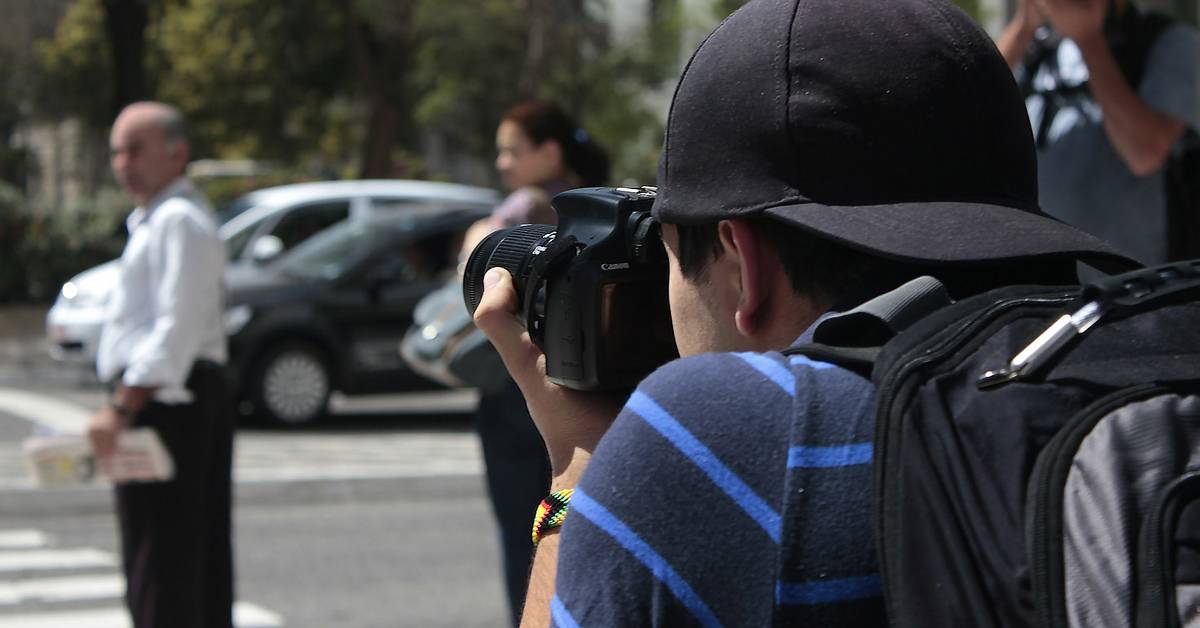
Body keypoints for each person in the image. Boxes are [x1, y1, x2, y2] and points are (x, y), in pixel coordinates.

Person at [470, 0, 1137, 625]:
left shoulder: (718, 433)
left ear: (743, 264)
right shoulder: (1132, 362)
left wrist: (579, 466)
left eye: (666, 252)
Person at [87, 101, 233, 628]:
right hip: (166, 402)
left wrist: (123, 407)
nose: (123, 163)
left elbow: (176, 330)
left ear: (178, 154)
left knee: (165, 565)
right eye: (117, 152)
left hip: (171, 405)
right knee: (169, 559)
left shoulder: (179, 221)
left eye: (136, 150)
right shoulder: (158, 219)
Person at [467, 100, 610, 626]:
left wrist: (477, 241)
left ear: (549, 153)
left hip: (519, 394)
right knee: (584, 521)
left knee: (525, 536)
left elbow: (475, 268)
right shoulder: (599, 208)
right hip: (592, 382)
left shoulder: (524, 206)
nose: (502, 162)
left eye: (512, 150)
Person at [997, 0, 1199, 265]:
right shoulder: (1037, 47)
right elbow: (967, 115)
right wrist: (1023, 27)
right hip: (1039, 275)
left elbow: (1145, 154)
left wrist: (1089, 42)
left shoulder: (1171, 43)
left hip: (1130, 279)